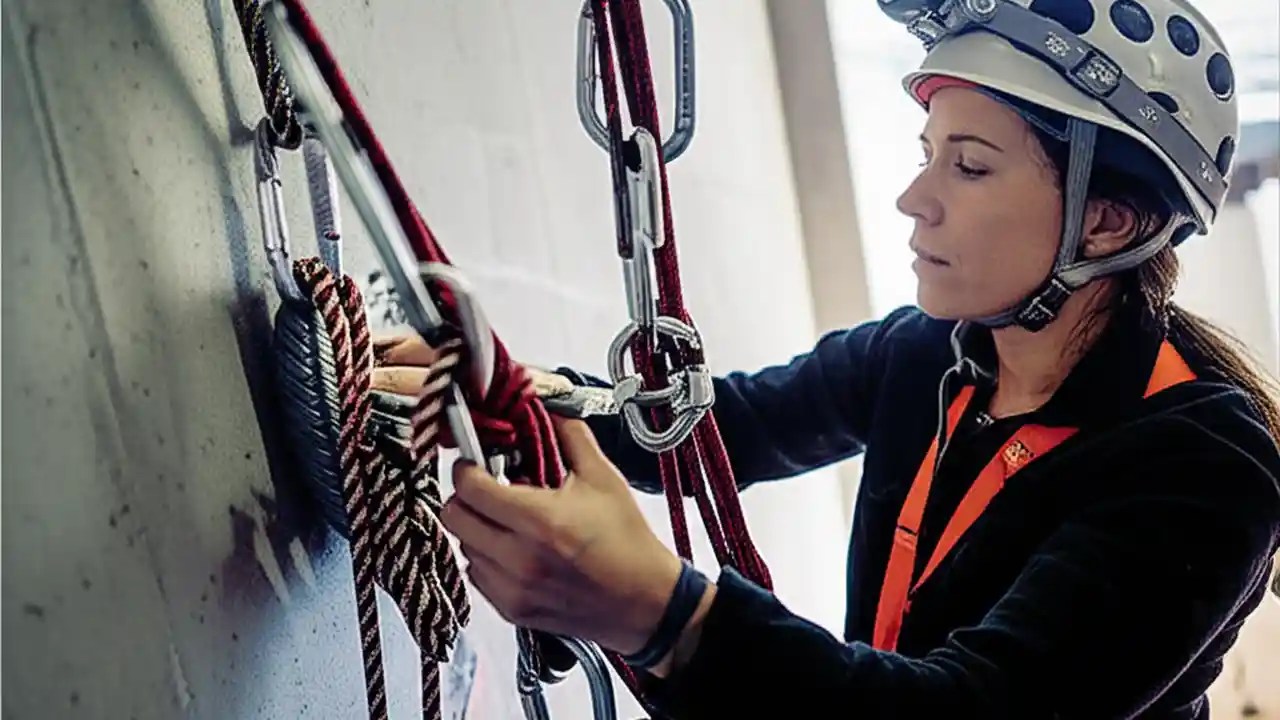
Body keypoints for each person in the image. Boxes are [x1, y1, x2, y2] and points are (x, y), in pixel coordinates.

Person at [373, 0, 1280, 716]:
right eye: (928, 157)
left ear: (1108, 220)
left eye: (967, 167)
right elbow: (720, 430)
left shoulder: (1203, 469)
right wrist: (525, 400)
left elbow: (978, 710)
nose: (913, 198)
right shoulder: (931, 354)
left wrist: (671, 619)